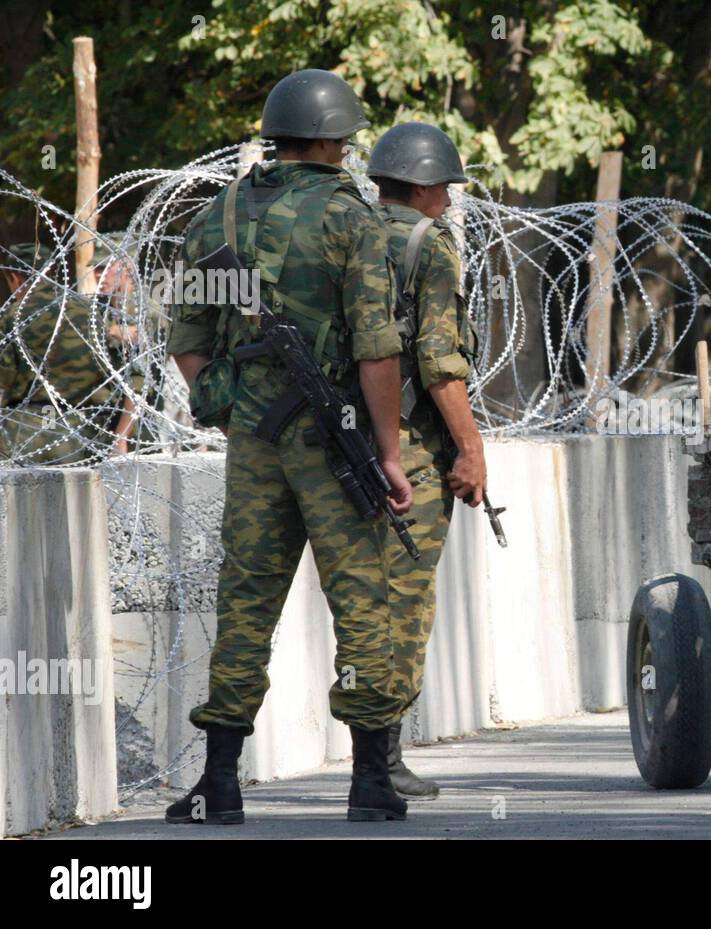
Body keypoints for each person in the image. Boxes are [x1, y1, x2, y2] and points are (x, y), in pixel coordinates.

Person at [163, 69, 415, 825]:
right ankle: (372, 780)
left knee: (245, 598)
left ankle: (221, 781)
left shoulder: (219, 215)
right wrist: (389, 451)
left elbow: (187, 341)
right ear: (337, 138)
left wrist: (230, 402)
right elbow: (376, 349)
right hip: (332, 435)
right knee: (361, 597)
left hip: (255, 440)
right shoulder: (351, 218)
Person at [366, 121, 485, 798]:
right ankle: (382, 757)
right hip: (407, 447)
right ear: (418, 184)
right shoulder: (426, 243)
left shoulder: (346, 231)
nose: (447, 199)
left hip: (335, 442)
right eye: (442, 186)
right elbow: (440, 361)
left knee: (359, 600)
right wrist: (470, 448)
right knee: (404, 601)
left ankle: (224, 771)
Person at [0, 242, 136, 462]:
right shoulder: (91, 311)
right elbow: (127, 376)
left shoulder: (14, 316)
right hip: (87, 426)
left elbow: (4, 376)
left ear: (16, 278)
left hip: (30, 428)